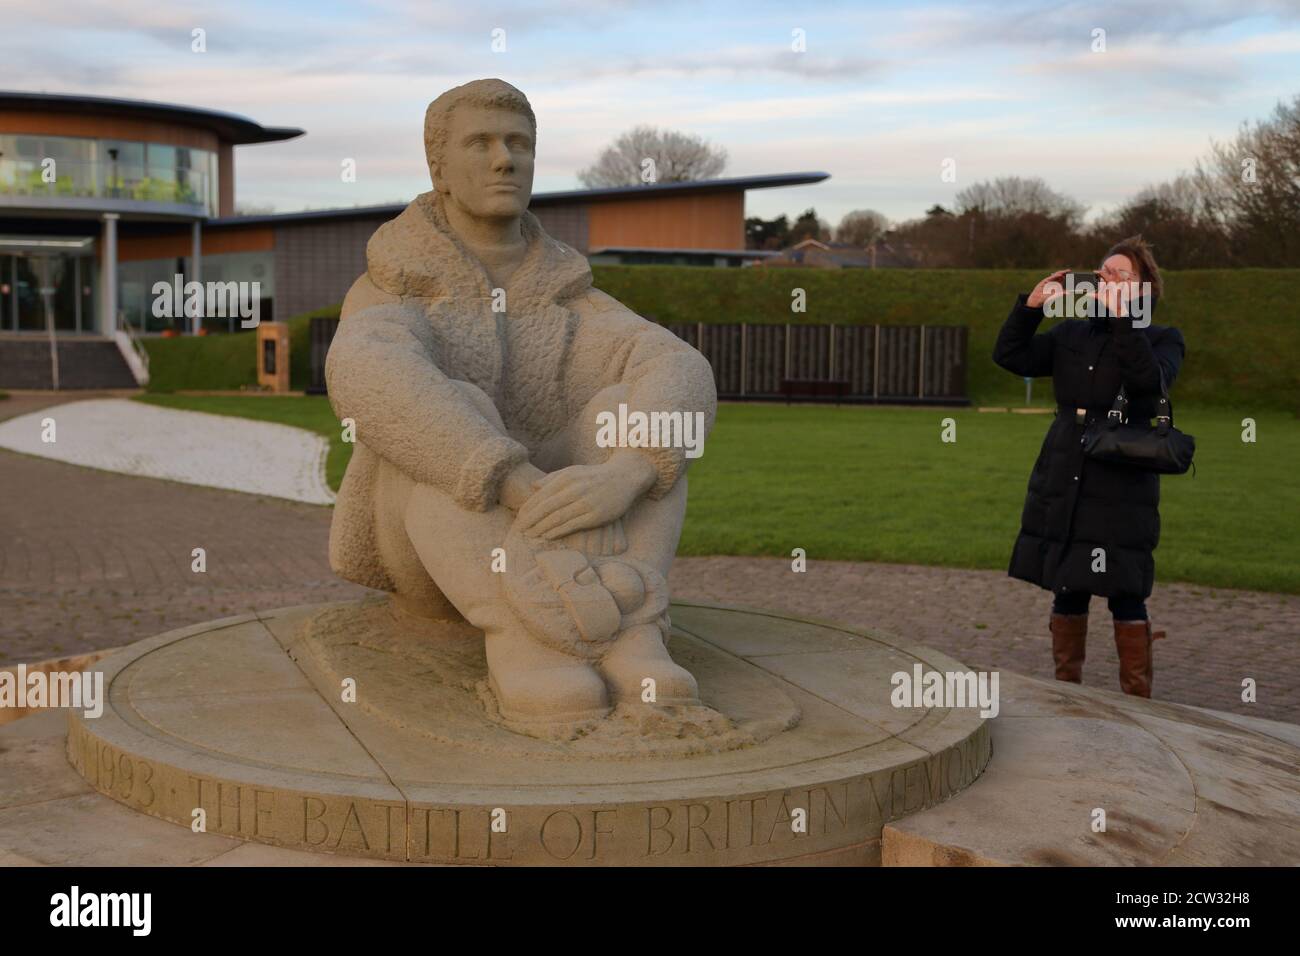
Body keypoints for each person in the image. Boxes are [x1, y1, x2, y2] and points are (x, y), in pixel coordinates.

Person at [325, 79, 717, 731]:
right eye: (480, 144)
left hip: (584, 545)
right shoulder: (391, 285)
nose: (505, 159)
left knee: (636, 417)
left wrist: (628, 473)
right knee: (448, 412)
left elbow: (674, 363)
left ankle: (630, 631)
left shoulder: (568, 293)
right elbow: (366, 369)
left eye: (519, 144)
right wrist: (506, 476)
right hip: (433, 556)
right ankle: (529, 639)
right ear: (438, 168)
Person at [992, 236, 1185, 697]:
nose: (1108, 279)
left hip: (1121, 473)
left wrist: (1122, 320)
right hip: (1067, 463)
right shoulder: (1072, 332)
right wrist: (1031, 308)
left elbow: (1147, 384)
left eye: (1121, 275)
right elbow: (1010, 356)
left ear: (1145, 287)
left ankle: (1136, 698)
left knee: (1124, 586)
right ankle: (1068, 694)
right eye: (1104, 272)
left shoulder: (1162, 338)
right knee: (1069, 581)